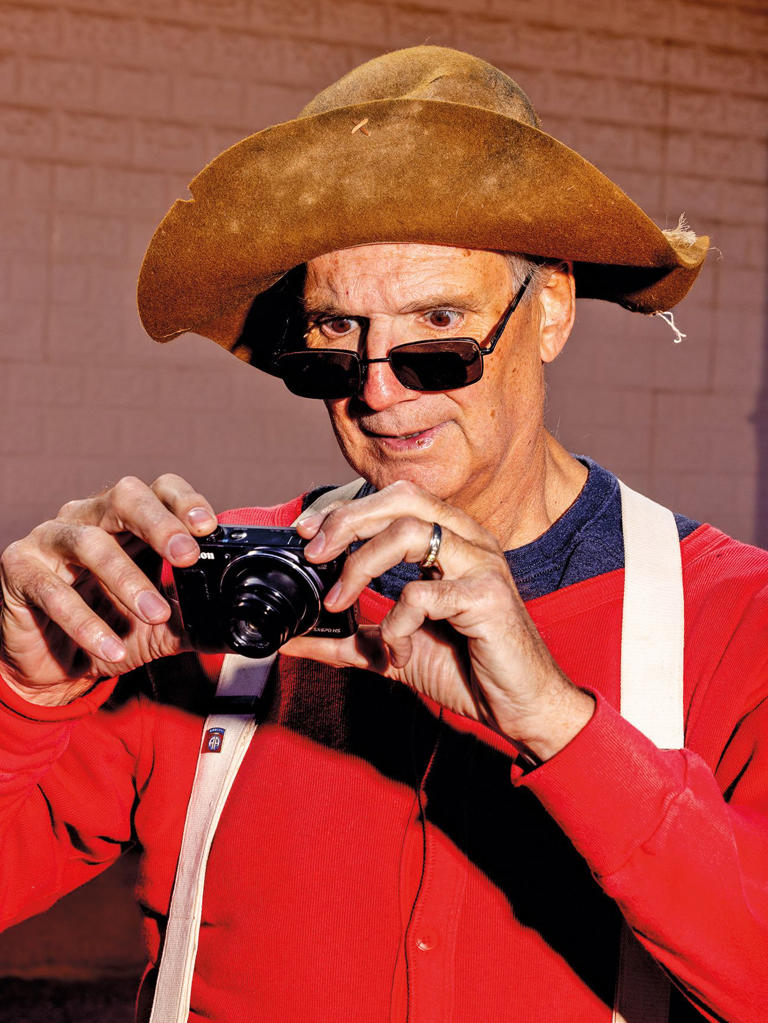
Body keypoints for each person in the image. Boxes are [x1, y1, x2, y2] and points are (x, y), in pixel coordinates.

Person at [0, 45, 766, 1023]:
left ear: (553, 310)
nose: (378, 393)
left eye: (437, 332)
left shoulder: (739, 618)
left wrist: (560, 727)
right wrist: (27, 695)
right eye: (335, 342)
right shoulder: (210, 601)